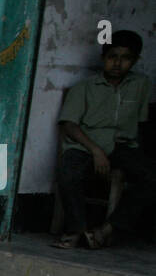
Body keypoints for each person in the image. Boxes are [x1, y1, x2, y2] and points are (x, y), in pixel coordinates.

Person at [52, 30, 153, 249]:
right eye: (112, 57)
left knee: (151, 176)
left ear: (134, 61)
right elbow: (69, 124)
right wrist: (96, 151)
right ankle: (76, 230)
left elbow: (142, 123)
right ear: (103, 58)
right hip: (85, 144)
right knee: (68, 172)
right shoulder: (84, 88)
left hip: (121, 147)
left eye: (125, 58)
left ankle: (107, 229)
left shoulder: (141, 85)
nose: (117, 63)